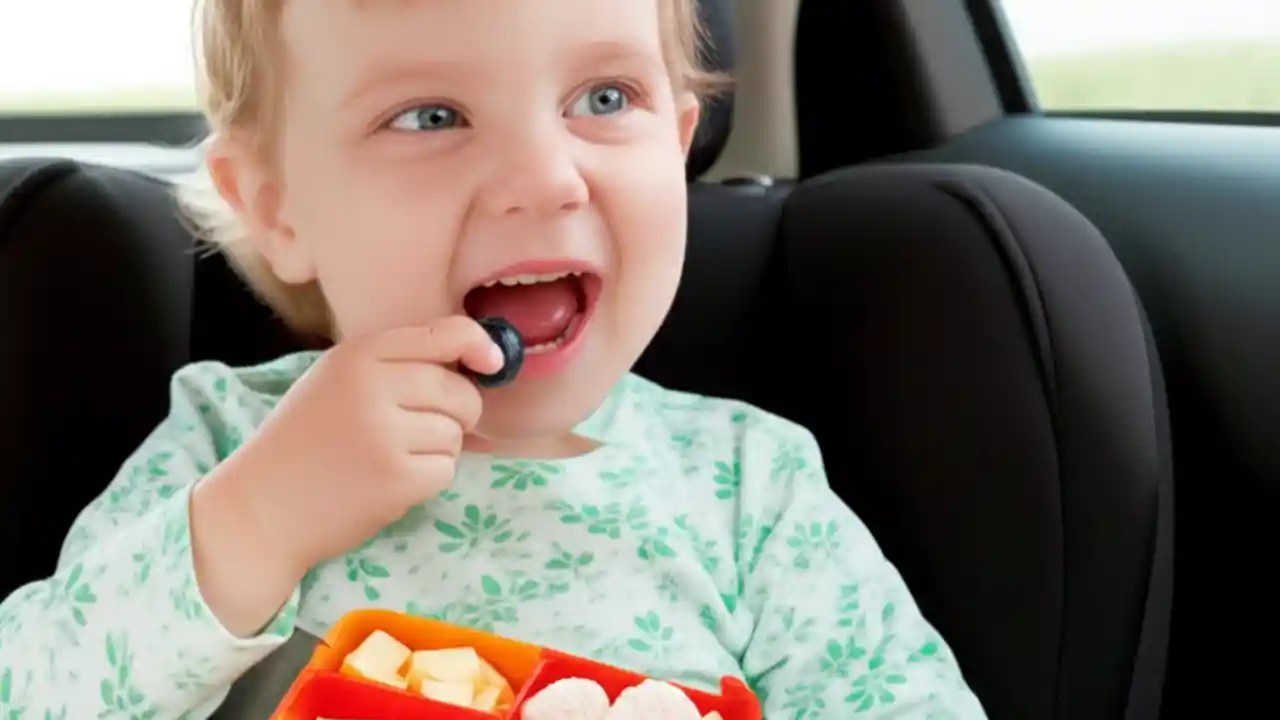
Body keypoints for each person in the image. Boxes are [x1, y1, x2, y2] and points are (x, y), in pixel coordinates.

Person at [0, 1, 987, 717]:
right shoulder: (225, 447)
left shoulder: (743, 490)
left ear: (678, 147)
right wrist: (256, 524)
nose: (543, 179)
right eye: (431, 116)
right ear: (275, 204)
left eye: (604, 97)